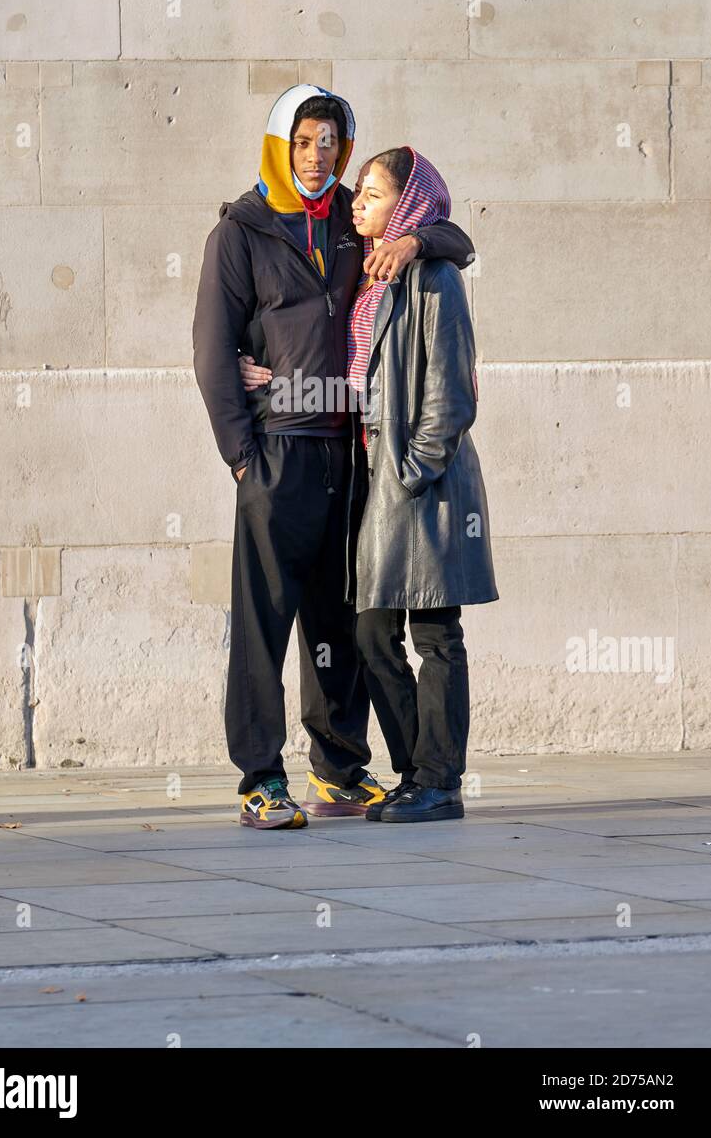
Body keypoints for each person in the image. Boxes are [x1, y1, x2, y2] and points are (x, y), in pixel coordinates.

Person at [193, 85, 476, 829]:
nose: (319, 156)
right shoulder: (241, 231)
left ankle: (339, 767)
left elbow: (456, 238)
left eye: (331, 143)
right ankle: (260, 778)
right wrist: (240, 452)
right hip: (277, 453)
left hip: (347, 456)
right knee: (265, 623)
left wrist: (416, 240)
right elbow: (213, 349)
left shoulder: (358, 221)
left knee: (339, 622)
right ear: (279, 143)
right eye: (306, 141)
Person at [348, 147, 498, 823]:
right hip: (381, 481)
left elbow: (453, 389)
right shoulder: (375, 275)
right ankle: (417, 771)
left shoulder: (433, 276)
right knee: (373, 632)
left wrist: (415, 465)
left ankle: (439, 781)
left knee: (436, 632)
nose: (358, 205)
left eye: (372, 195)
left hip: (424, 482)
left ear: (406, 206)